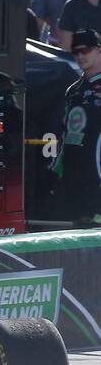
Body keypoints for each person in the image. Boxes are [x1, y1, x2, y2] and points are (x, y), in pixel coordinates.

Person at [50, 27, 101, 226]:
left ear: (98, 50)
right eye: (76, 51)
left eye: (85, 50)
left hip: (97, 176)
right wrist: (56, 172)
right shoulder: (73, 90)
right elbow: (65, 134)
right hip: (76, 176)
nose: (80, 56)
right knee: (80, 230)